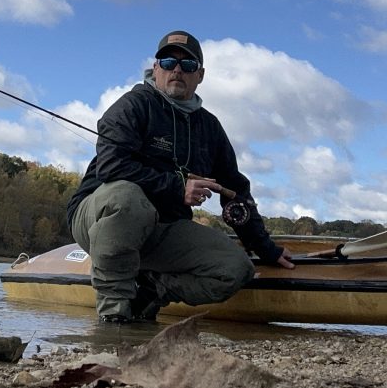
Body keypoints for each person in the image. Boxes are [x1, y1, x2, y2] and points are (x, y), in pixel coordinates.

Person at [65, 30, 295, 324]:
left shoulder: (209, 127)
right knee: (128, 199)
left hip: (163, 228)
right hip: (99, 217)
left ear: (200, 75)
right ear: (156, 68)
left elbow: (236, 192)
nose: (177, 69)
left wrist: (266, 248)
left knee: (235, 269)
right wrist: (177, 187)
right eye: (169, 61)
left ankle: (152, 289)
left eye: (188, 65)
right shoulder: (132, 106)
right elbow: (111, 167)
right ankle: (114, 319)